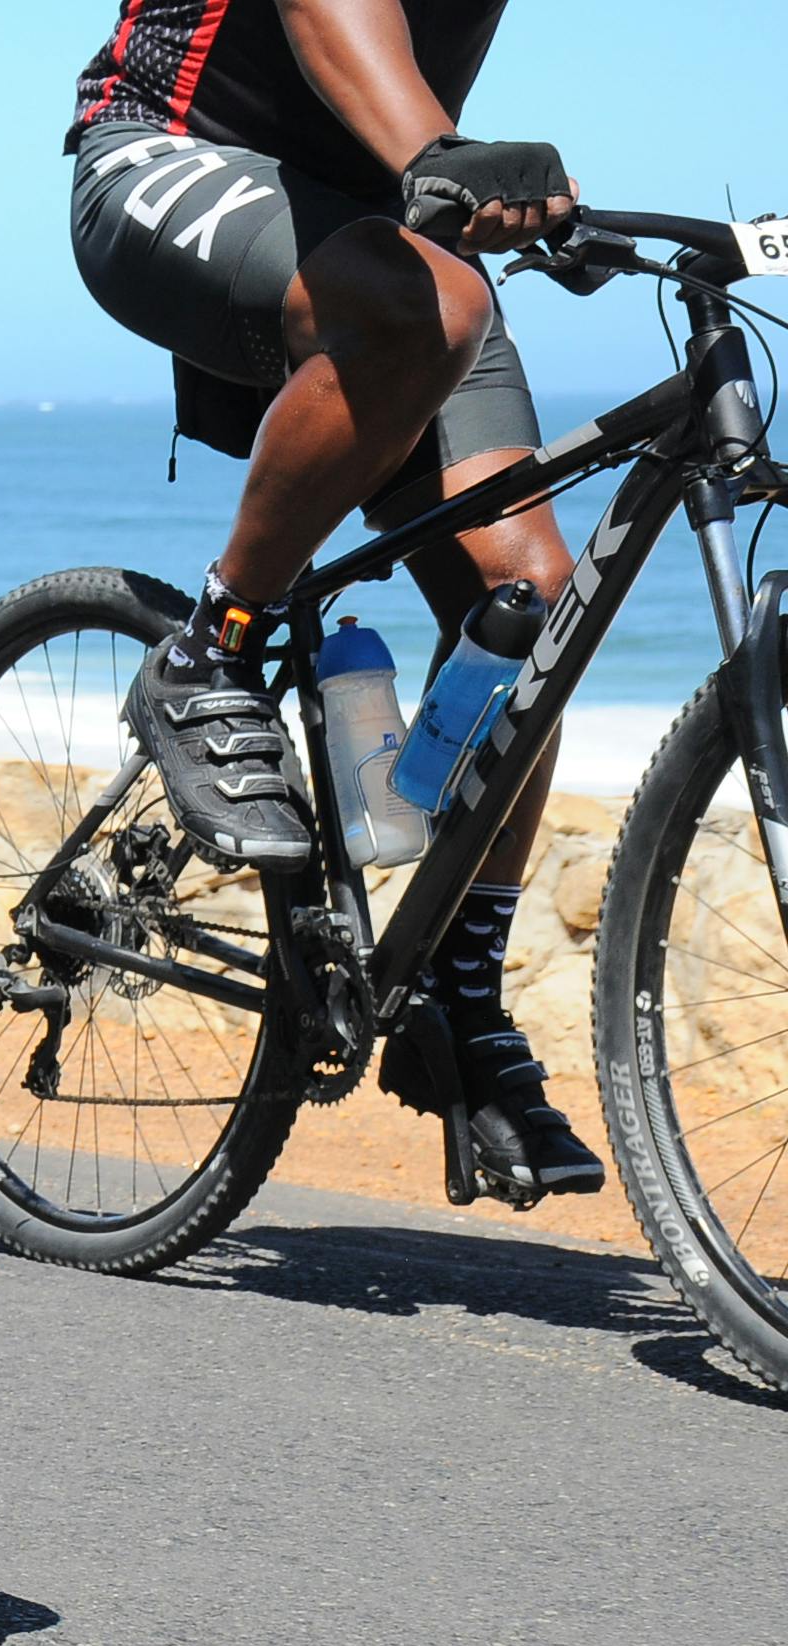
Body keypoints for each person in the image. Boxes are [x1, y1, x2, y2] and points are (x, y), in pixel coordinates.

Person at [69, 0, 603, 1196]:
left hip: (393, 229)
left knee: (534, 602)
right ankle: (208, 649)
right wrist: (444, 157)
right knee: (432, 306)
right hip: (164, 158)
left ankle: (457, 995)